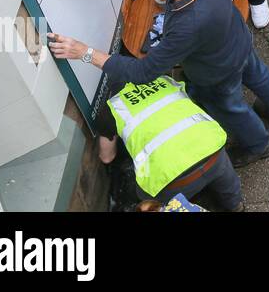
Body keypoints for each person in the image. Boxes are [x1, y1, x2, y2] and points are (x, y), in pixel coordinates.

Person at [50, 0, 269, 167]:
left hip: (217, 72)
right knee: (259, 75)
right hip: (239, 41)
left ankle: (261, 145)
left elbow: (143, 72)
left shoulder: (188, 25)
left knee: (231, 107)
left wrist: (84, 52)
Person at [96, 74, 244, 211]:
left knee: (145, 199)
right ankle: (235, 204)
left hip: (173, 182)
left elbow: (107, 157)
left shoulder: (113, 108)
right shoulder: (164, 79)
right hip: (213, 153)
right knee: (224, 176)